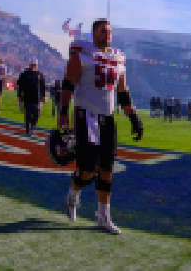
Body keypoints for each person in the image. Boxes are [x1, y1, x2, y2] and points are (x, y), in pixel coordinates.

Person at [57, 19, 144, 235]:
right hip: (86, 115)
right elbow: (68, 83)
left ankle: (103, 217)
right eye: (102, 31)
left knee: (107, 170)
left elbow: (123, 92)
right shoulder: (82, 53)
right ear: (93, 33)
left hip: (108, 118)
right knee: (87, 171)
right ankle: (73, 193)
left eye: (109, 31)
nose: (107, 34)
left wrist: (133, 117)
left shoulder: (118, 57)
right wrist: (63, 112)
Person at [15, 58, 47, 135]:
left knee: (36, 115)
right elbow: (20, 86)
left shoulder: (40, 75)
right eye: (32, 64)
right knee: (28, 115)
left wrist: (44, 96)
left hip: (37, 99)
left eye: (34, 65)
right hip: (27, 98)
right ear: (30, 64)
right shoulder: (24, 74)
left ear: (36, 65)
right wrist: (19, 96)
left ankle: (33, 127)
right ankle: (28, 130)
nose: (33, 66)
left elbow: (43, 86)